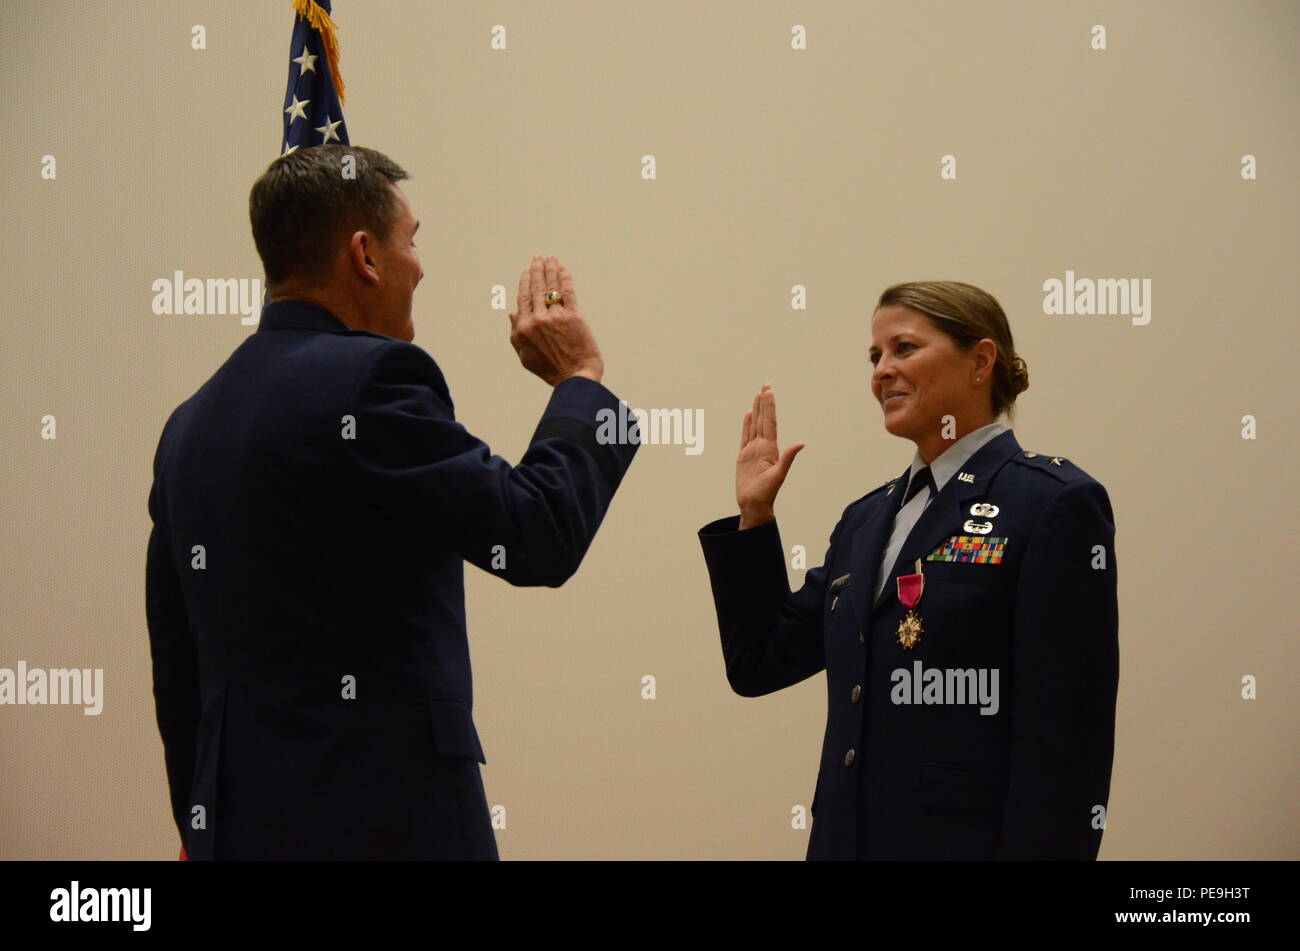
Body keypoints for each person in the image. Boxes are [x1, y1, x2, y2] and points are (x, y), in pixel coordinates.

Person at [146, 145, 638, 859]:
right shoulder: (372, 380)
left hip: (237, 825)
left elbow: (178, 665)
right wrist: (580, 381)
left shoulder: (187, 427)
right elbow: (536, 534)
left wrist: (200, 822)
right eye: (412, 241)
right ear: (364, 255)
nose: (421, 265)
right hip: (387, 822)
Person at [697, 281, 1119, 860]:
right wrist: (754, 516)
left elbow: (1067, 745)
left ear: (980, 361)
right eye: (875, 357)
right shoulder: (867, 519)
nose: (882, 371)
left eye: (904, 349)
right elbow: (760, 661)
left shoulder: (1050, 504)